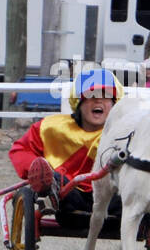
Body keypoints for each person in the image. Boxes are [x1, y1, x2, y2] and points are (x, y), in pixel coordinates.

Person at [9, 69, 124, 227]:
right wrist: (37, 169)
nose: (98, 101)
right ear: (78, 102)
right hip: (68, 202)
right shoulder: (50, 128)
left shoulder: (126, 132)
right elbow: (21, 149)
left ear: (115, 103)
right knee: (56, 180)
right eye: (91, 96)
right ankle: (50, 191)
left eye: (105, 96)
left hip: (114, 203)